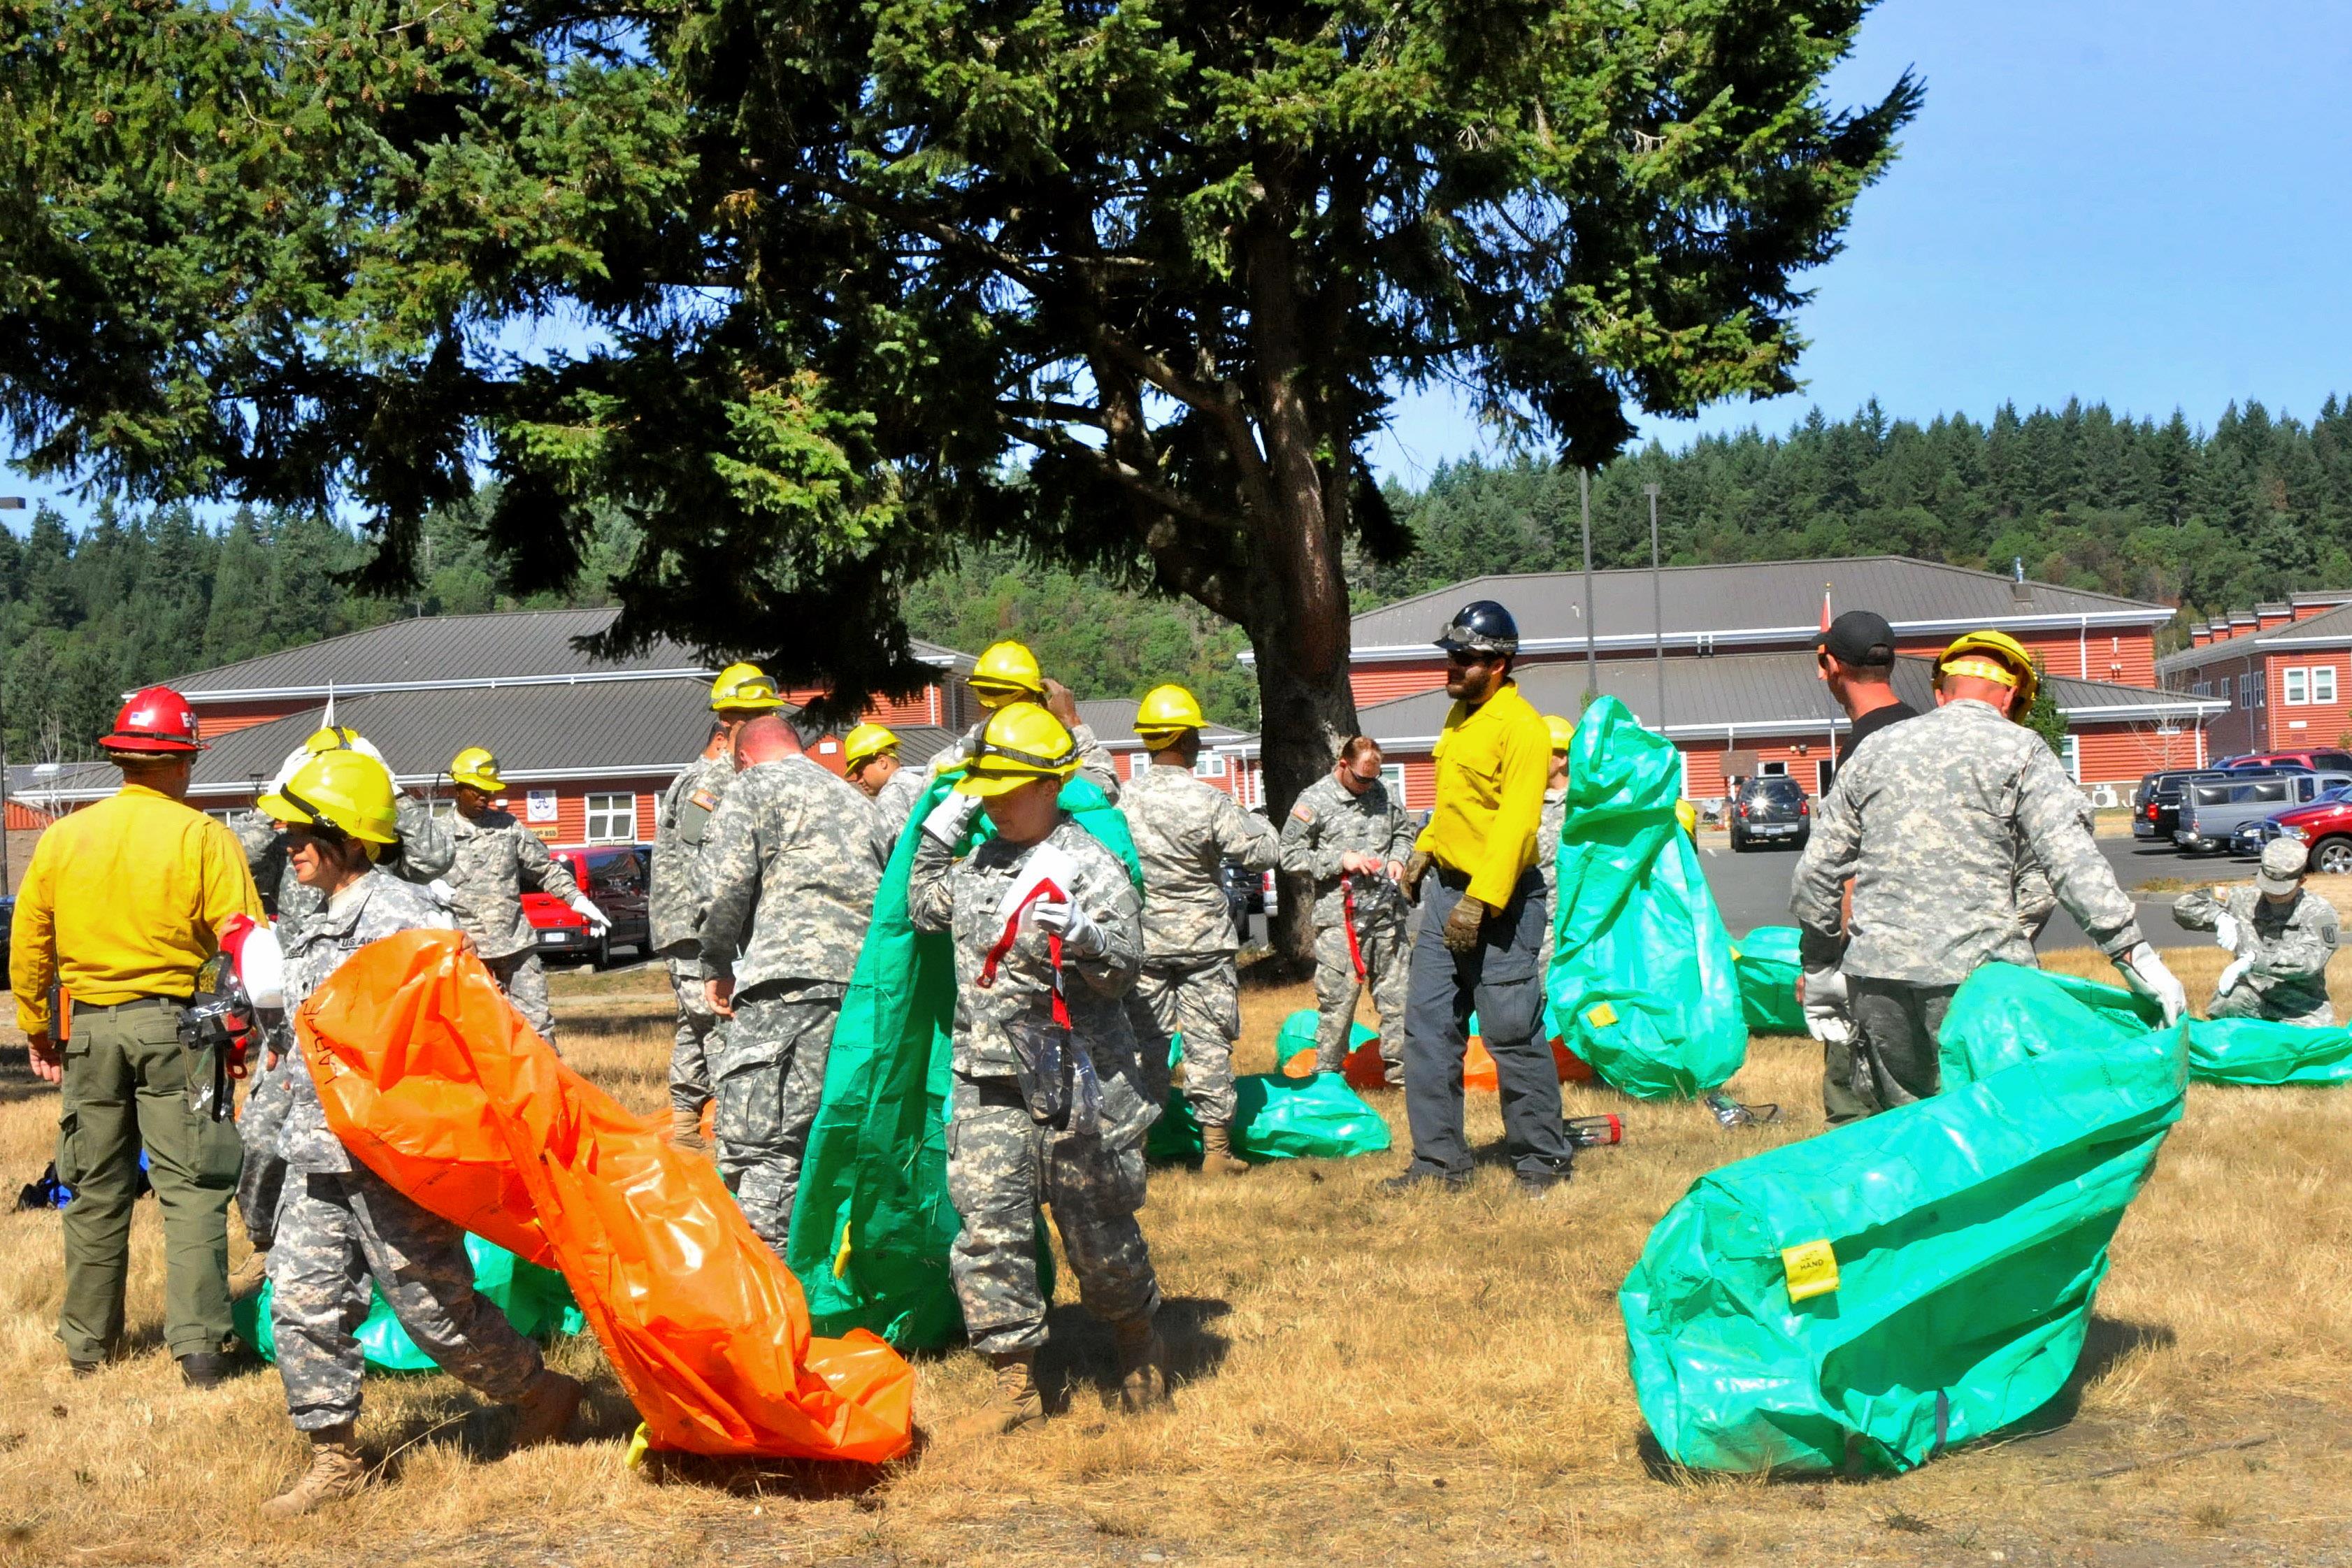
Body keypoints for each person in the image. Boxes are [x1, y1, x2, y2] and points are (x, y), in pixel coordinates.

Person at [240, 749, 581, 1516]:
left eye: (302, 830)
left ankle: (541, 1390)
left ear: (350, 838)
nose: (287, 841)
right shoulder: (315, 912)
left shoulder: (409, 918)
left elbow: (448, 1036)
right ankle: (336, 1456)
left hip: (389, 1154)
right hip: (318, 1147)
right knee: (300, 1300)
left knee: (433, 1308)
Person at [906, 702, 1166, 1437]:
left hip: (1076, 1080)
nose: (992, 799)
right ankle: (1012, 1377)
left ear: (1053, 783)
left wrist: (1087, 939)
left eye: (1005, 788)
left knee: (1096, 1227)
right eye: (983, 787)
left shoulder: (1089, 864)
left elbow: (1123, 971)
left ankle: (1136, 1337)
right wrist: (939, 828)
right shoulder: (981, 860)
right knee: (988, 1229)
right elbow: (924, 906)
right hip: (987, 1075)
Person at [1791, 629, 2187, 1109]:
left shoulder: (1874, 749)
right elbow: (2069, 862)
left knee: (1908, 1128)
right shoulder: (2021, 750)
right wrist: (2132, 953)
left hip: (1877, 978)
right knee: (1993, 1126)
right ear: (2013, 695)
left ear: (1941, 692)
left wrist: (1818, 969)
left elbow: (1816, 873)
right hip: (1979, 983)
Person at [8, 687, 265, 1386]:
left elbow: (29, 943)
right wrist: (242, 1033)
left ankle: (88, 1348)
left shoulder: (62, 837)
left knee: (93, 1185)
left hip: (89, 1027)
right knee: (192, 1184)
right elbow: (248, 945)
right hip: (178, 1028)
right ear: (182, 761)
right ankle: (202, 1351)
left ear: (122, 758)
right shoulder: (204, 837)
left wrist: (39, 1026)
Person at [1389, 602, 1579, 1197]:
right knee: (1425, 1029)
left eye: (1464, 657)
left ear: (1499, 664)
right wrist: (1424, 847)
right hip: (1448, 892)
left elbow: (1516, 825)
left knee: (1511, 1031)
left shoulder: (1521, 728)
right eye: (1450, 654)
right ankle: (1439, 1162)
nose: (1452, 664)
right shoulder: (1459, 716)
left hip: (1502, 905)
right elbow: (1456, 805)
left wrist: (1483, 899)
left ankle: (1543, 1159)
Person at [696, 714, 887, 1255]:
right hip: (862, 992)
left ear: (744, 758)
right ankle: (833, 1276)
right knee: (835, 1137)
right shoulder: (856, 801)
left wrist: (715, 961)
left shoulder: (754, 785)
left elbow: (724, 886)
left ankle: (772, 1296)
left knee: (763, 1143)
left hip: (786, 986)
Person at [1115, 684, 1280, 1172]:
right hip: (1203, 943)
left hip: (1144, 941)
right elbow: (1262, 852)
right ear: (1187, 740)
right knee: (1208, 1042)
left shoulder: (1123, 800)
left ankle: (1136, 1152)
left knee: (1143, 1046)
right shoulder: (1208, 799)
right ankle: (1216, 1152)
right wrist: (1261, 823)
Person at [1802, 611, 1916, 1125]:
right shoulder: (1924, 729)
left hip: (1874, 952)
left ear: (1831, 666)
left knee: (1856, 1101)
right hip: (1946, 946)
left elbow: (1841, 868)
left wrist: (1826, 962)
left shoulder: (1863, 749)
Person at [440, 746, 610, 1044]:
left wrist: (578, 900)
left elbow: (545, 868)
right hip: (469, 954)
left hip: (517, 948)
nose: (485, 797)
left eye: (489, 792)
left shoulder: (508, 827)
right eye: (477, 791)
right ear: (458, 789)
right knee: (477, 1036)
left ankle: (545, 1089)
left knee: (538, 1030)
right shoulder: (437, 835)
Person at [229, 726, 455, 947]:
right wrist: (275, 800)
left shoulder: (372, 839)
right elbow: (234, 863)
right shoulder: (289, 844)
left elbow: (434, 859)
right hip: (303, 977)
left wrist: (392, 792)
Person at [1279, 735, 1415, 1086]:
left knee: (1398, 999)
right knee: (1338, 1004)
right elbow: (1289, 855)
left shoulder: (1384, 793)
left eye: (1375, 778)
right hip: (1342, 921)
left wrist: (1399, 858)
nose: (1370, 786)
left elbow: (1404, 833)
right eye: (1362, 779)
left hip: (1386, 915)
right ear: (1343, 765)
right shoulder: (1314, 801)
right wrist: (1340, 860)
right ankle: (1328, 1078)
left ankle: (1403, 1077)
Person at [2172, 838, 2339, 1026]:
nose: (2273, 894)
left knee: (2316, 1050)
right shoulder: (2243, 898)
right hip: (2250, 995)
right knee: (2229, 1001)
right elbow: (2184, 904)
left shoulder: (2319, 912)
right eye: (2268, 886)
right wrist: (2217, 916)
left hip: (2302, 1007)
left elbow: (2311, 959)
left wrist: (2253, 960)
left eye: (2281, 890)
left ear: (2302, 880)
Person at [942, 640, 1122, 800]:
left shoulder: (946, 762)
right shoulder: (1043, 758)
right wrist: (1072, 722)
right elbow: (1105, 792)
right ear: (1036, 698)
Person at [843, 721, 926, 833]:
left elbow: (899, 847)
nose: (859, 781)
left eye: (860, 772)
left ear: (882, 762)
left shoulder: (890, 796)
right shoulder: (920, 782)